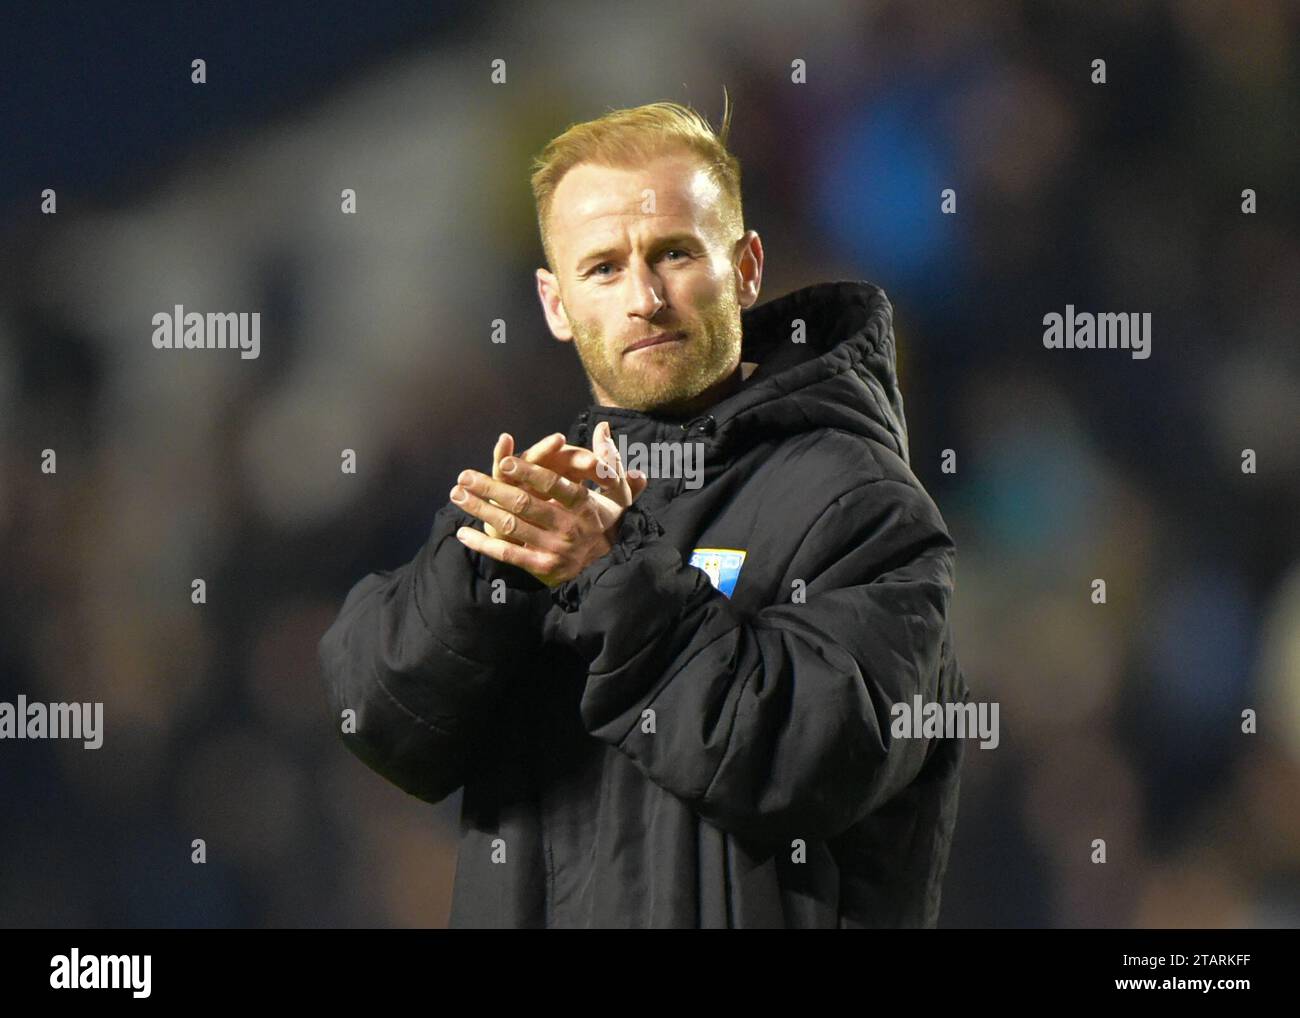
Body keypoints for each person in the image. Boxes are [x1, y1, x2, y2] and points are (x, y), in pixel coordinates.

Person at [318, 96, 969, 928]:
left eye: (672, 253)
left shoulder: (859, 502)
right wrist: (481, 567)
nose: (645, 297)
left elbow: (814, 760)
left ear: (747, 267)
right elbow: (381, 718)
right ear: (557, 305)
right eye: (603, 268)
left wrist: (608, 578)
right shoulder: (548, 511)